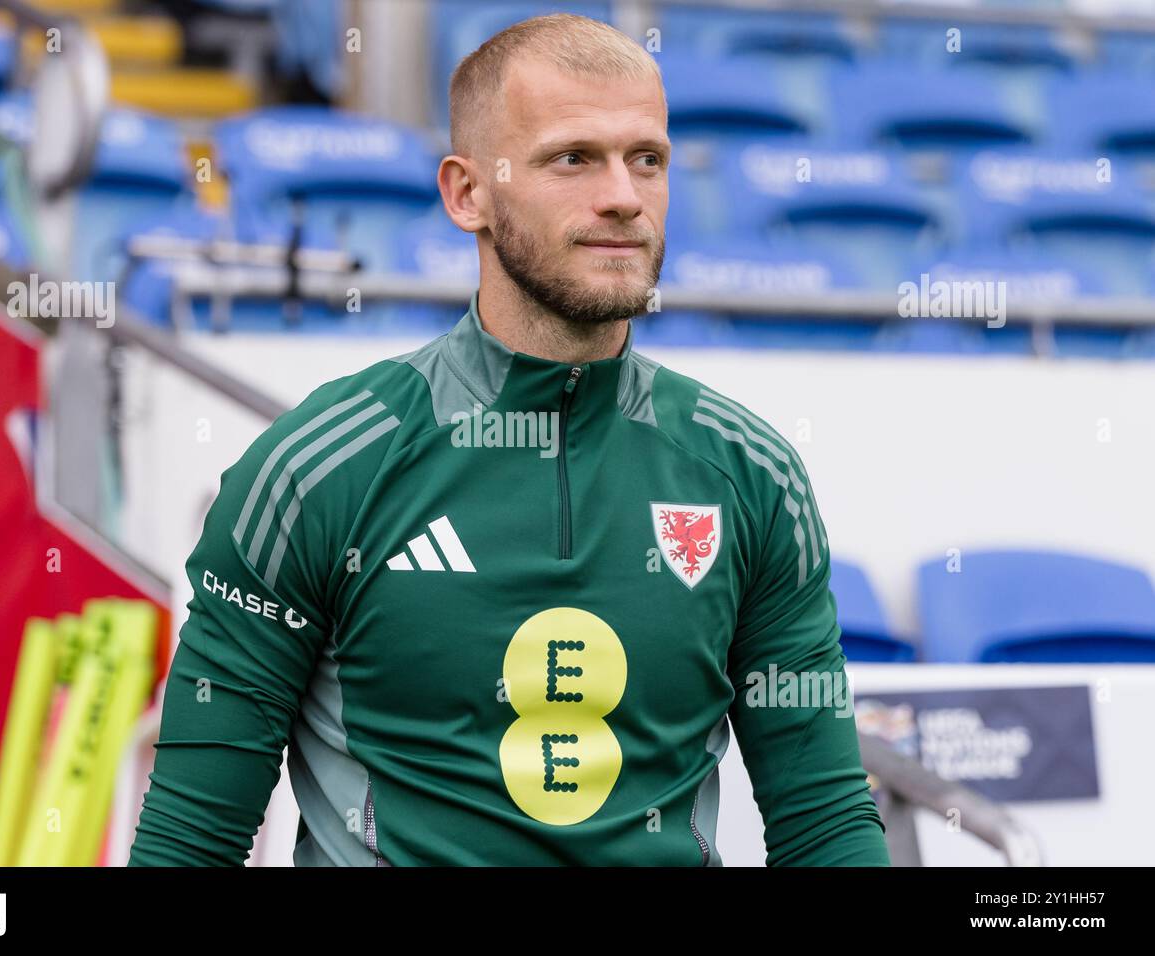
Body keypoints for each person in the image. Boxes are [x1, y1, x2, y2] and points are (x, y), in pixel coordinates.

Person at [129, 13, 888, 866]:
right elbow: (190, 840)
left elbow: (824, 822)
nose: (624, 196)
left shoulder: (750, 473)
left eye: (648, 159)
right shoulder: (317, 469)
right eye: (574, 158)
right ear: (466, 194)